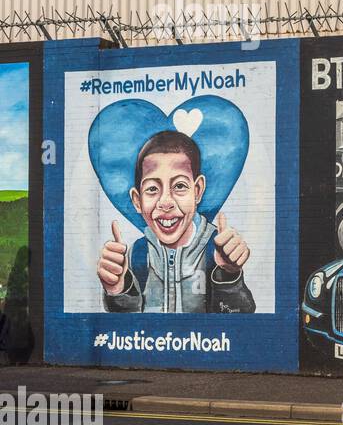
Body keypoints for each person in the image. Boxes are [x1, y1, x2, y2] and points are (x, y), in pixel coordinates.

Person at [97, 130, 254, 314]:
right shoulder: (137, 254)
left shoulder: (218, 250)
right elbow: (127, 327)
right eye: (152, 189)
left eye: (179, 186)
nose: (165, 202)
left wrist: (229, 274)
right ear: (137, 201)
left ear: (197, 191)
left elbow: (240, 319)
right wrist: (118, 290)